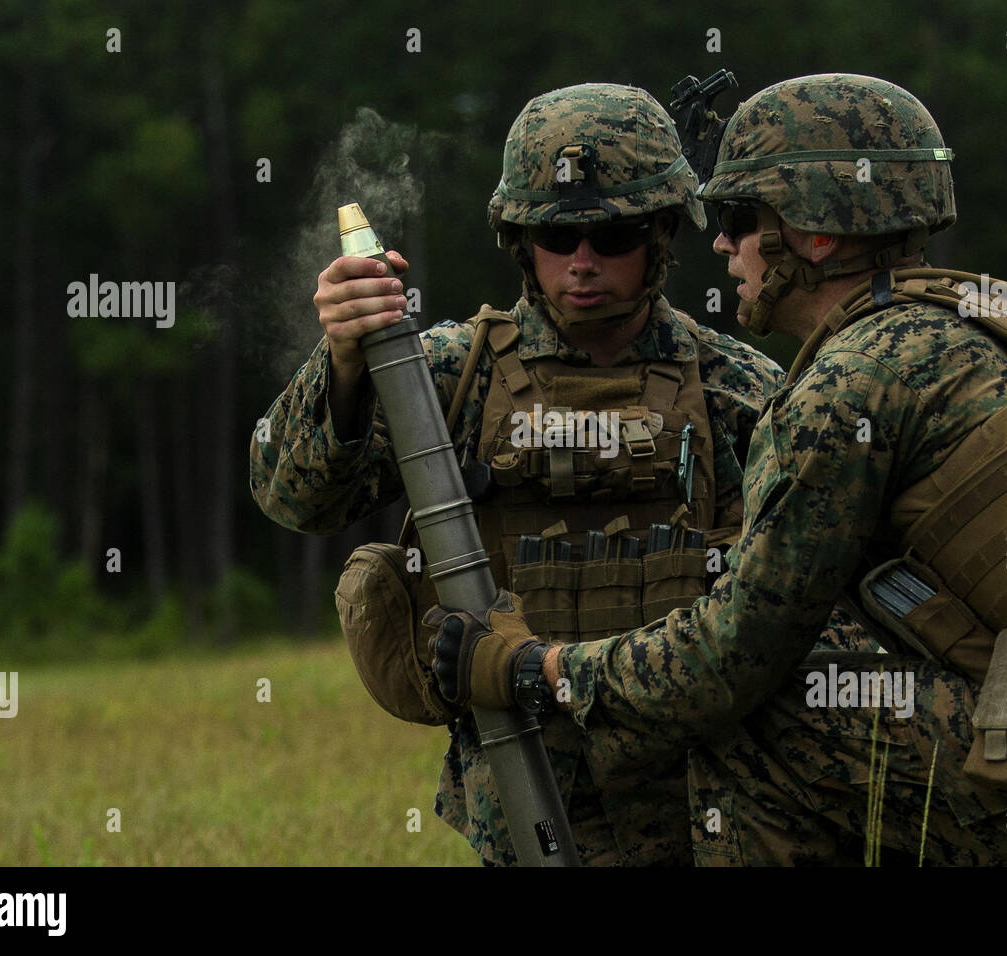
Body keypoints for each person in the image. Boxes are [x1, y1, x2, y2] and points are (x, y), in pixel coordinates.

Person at [430, 73, 1007, 865]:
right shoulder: (994, 316)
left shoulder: (854, 380)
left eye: (741, 219)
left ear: (814, 237)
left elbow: (725, 658)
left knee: (765, 706)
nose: (721, 244)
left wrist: (539, 670)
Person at [250, 82, 787, 865]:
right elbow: (292, 496)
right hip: (518, 788)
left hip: (701, 797)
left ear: (663, 233)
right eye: (555, 237)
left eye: (613, 236)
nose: (582, 264)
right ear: (517, 239)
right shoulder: (446, 375)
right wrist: (342, 364)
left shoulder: (735, 387)